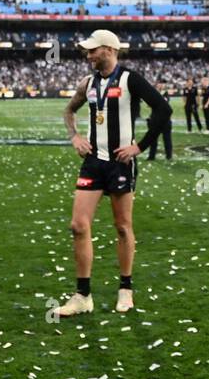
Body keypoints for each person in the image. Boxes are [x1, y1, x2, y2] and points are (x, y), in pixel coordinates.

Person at [58, 29, 172, 316]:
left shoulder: (130, 79)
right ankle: (82, 294)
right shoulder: (88, 82)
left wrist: (140, 147)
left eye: (92, 50)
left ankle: (126, 288)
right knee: (78, 225)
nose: (88, 55)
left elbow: (163, 109)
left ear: (109, 49)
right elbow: (69, 110)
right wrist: (74, 137)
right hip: (93, 162)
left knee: (122, 227)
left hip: (121, 162)